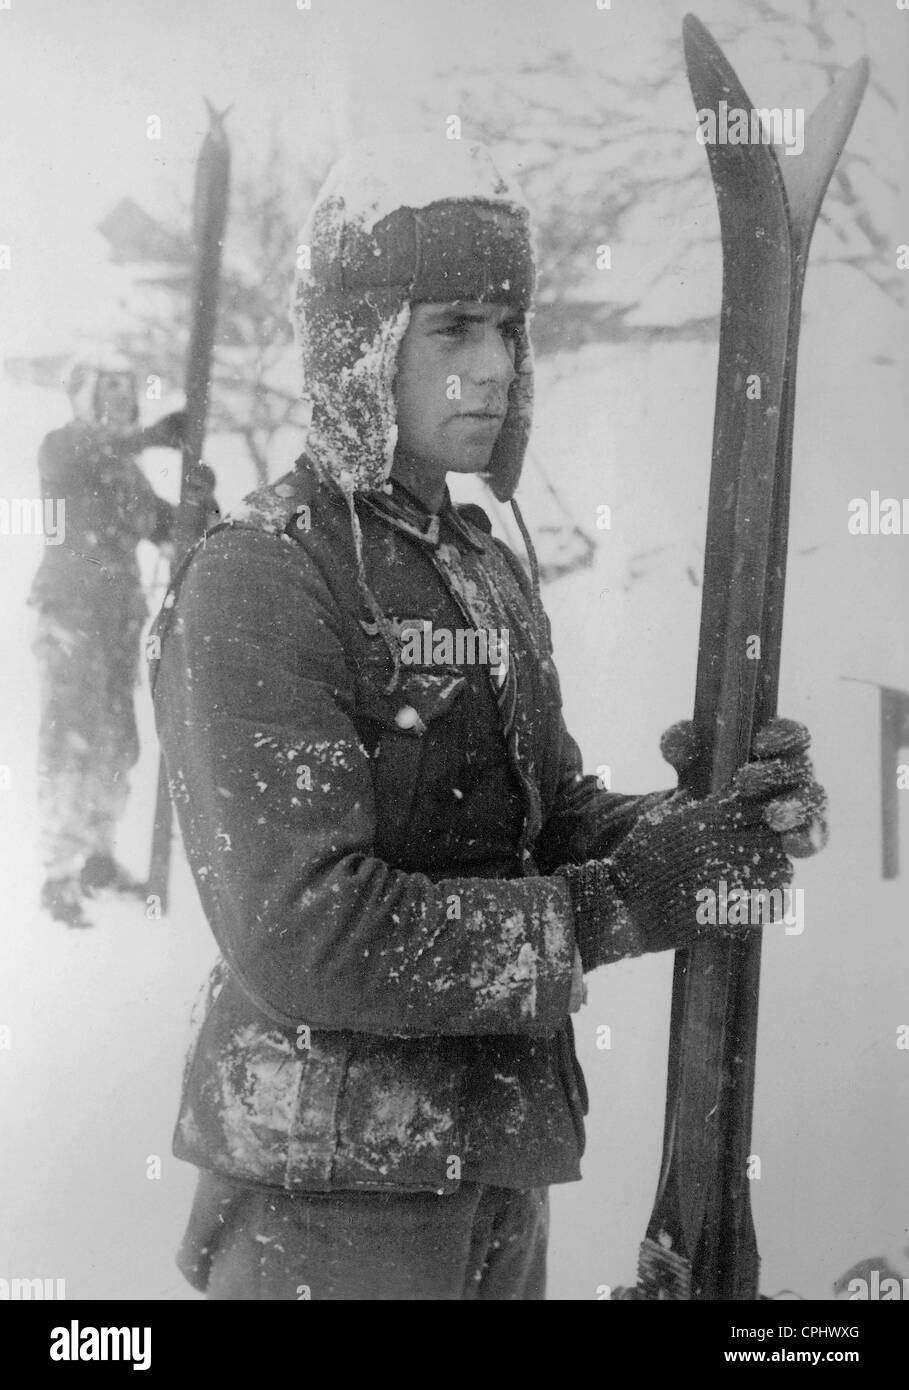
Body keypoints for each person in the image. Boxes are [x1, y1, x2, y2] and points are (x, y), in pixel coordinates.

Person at [150, 137, 828, 1300]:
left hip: (492, 1165)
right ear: (362, 346)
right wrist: (622, 900)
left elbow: (544, 824)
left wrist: (696, 827)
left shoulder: (473, 564)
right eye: (453, 328)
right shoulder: (263, 576)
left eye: (511, 328)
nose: (498, 364)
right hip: (330, 1201)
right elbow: (308, 931)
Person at [30, 353, 217, 928]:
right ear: (83, 401)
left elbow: (173, 531)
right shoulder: (62, 448)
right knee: (72, 740)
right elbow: (92, 456)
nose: (115, 409)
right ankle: (57, 871)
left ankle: (97, 855)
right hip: (68, 616)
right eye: (104, 398)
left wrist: (199, 498)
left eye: (123, 398)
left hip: (115, 621)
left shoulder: (126, 474)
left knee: (114, 741)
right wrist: (152, 436)